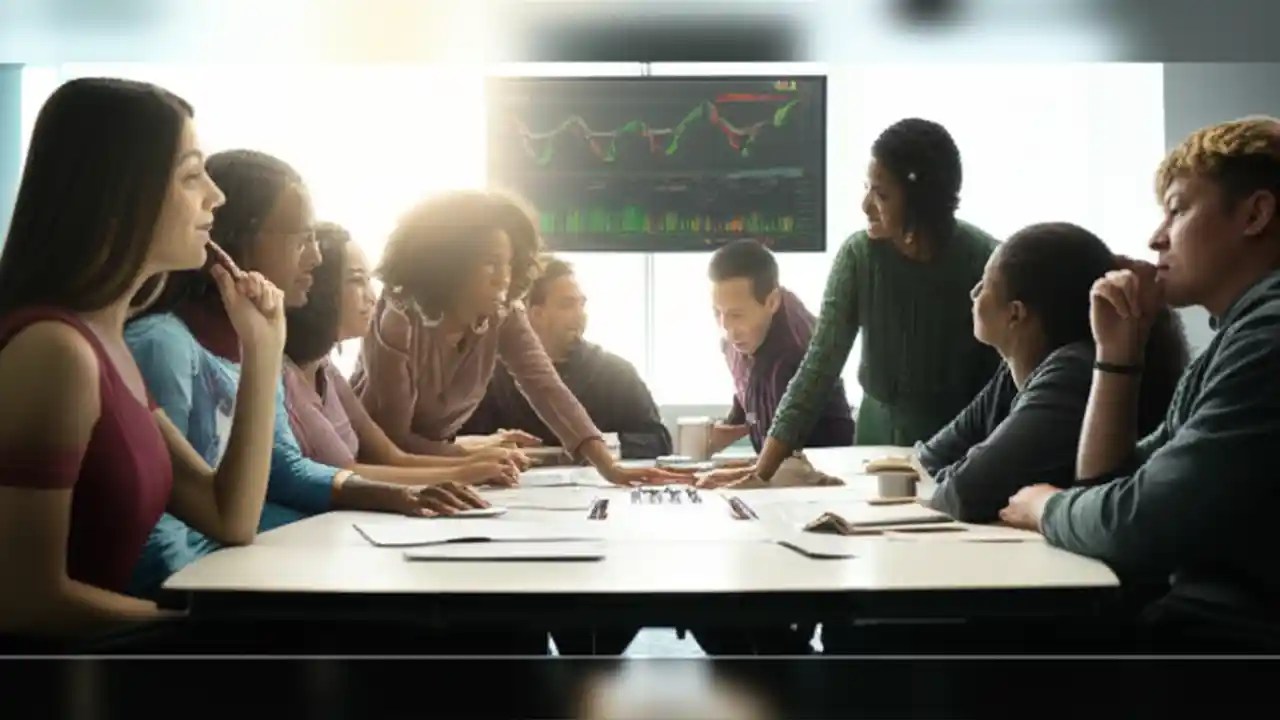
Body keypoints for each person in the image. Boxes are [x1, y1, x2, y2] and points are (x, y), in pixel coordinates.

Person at [125, 150, 489, 603]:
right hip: (185, 587)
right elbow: (160, 515)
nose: (316, 258)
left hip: (229, 565)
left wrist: (396, 497)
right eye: (301, 239)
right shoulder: (163, 344)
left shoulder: (254, 339)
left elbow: (280, 467)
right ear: (237, 240)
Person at [0, 78, 283, 643]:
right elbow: (22, 601)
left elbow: (230, 517)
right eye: (190, 175)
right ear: (117, 195)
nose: (216, 197)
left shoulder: (104, 344)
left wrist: (264, 352)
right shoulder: (56, 352)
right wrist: (194, 628)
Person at [1001, 116, 1280, 652]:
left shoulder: (1267, 339)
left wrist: (1045, 510)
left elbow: (1137, 524)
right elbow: (1114, 485)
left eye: (1178, 209)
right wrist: (1118, 354)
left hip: (1241, 648)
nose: (1156, 236)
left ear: (1255, 214)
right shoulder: (1234, 340)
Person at [702, 118, 1002, 487]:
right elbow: (818, 366)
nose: (865, 206)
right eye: (866, 188)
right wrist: (761, 471)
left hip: (964, 448)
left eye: (882, 195)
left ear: (922, 201)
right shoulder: (860, 256)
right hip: (876, 444)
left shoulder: (986, 262)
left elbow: (1009, 383)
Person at [350, 189, 685, 488]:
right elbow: (390, 443)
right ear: (450, 265)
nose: (504, 278)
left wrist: (609, 468)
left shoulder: (504, 314)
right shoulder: (399, 319)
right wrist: (465, 459)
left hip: (437, 469)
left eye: (509, 264)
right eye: (490, 264)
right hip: (380, 470)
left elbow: (547, 388)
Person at [917, 222, 1188, 523]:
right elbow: (928, 459)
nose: (974, 293)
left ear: (1015, 314)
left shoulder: (1072, 371)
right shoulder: (1018, 367)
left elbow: (965, 492)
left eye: (985, 283)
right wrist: (956, 472)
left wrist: (958, 472)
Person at [283, 221, 521, 484]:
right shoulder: (286, 376)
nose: (372, 298)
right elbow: (346, 473)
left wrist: (476, 462)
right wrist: (463, 472)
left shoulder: (326, 369)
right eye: (356, 281)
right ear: (318, 287)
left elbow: (392, 455)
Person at [459, 256, 672, 459]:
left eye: (582, 304)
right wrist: (492, 444)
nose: (581, 315)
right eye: (567, 305)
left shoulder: (615, 374)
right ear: (534, 314)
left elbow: (659, 441)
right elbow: (456, 441)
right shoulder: (490, 378)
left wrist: (599, 445)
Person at [703, 239, 854, 457]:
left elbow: (786, 446)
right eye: (718, 312)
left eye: (737, 315)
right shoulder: (737, 339)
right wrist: (737, 425)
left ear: (772, 302)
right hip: (774, 464)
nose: (727, 329)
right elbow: (752, 406)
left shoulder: (796, 354)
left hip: (817, 466)